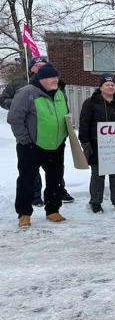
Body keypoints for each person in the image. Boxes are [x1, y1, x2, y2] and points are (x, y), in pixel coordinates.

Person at [1, 54, 75, 205]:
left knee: (55, 171)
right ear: (31, 68)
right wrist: (17, 104)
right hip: (30, 136)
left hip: (53, 139)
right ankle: (34, 196)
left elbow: (62, 109)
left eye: (44, 65)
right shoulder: (19, 84)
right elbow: (5, 103)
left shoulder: (56, 86)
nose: (41, 68)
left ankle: (59, 192)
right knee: (30, 172)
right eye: (38, 66)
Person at [8, 63, 68, 227]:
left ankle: (53, 210)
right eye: (51, 77)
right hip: (31, 147)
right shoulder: (27, 92)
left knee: (55, 179)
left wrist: (63, 136)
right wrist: (25, 141)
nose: (55, 80)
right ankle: (24, 214)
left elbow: (64, 115)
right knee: (27, 180)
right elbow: (15, 118)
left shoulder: (60, 93)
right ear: (41, 79)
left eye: (56, 77)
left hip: (56, 146)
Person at [78, 74, 115, 213]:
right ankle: (95, 202)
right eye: (107, 84)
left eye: (112, 84)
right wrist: (85, 142)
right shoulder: (91, 103)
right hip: (97, 145)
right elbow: (84, 124)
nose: (110, 87)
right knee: (97, 175)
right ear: (101, 87)